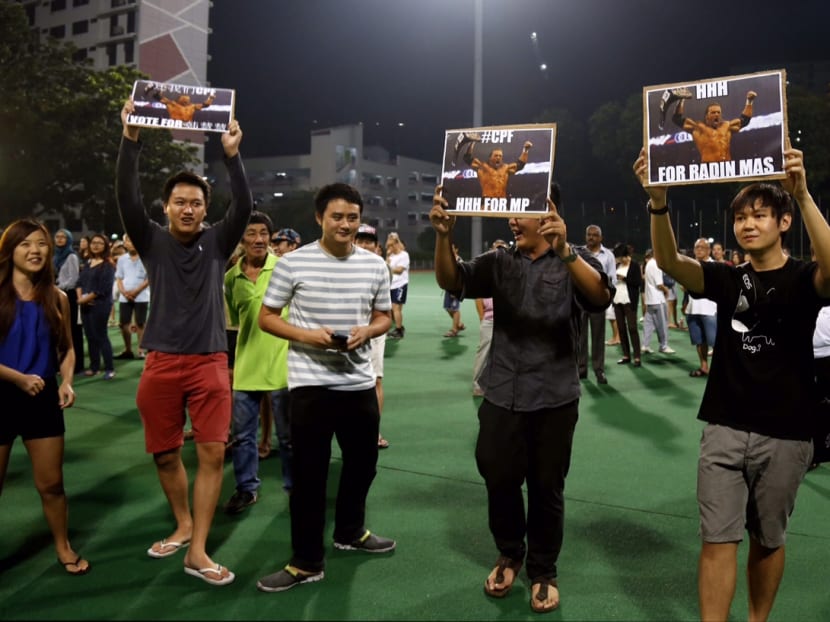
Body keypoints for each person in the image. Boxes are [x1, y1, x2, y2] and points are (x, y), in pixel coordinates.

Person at [634, 144, 830, 621]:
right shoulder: (727, 278)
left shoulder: (806, 279)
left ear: (783, 223)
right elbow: (670, 261)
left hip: (787, 431)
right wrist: (658, 201)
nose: (747, 224)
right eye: (741, 217)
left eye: (760, 215)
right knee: (716, 539)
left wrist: (802, 196)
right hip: (723, 427)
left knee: (768, 539)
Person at [430, 183, 613, 613]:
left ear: (549, 212)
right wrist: (442, 235)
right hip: (502, 394)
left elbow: (601, 297)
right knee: (498, 476)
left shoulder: (575, 259)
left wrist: (565, 249)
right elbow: (452, 280)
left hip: (554, 397)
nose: (512, 219)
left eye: (522, 210)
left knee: (547, 486)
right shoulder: (500, 260)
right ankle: (510, 552)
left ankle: (543, 570)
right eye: (510, 210)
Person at [117, 99, 252, 586]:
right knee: (166, 452)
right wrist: (130, 140)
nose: (188, 208)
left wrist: (232, 156)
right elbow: (126, 199)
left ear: (205, 209)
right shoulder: (151, 240)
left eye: (196, 202)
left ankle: (197, 550)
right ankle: (182, 523)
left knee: (213, 453)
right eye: (180, 201)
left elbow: (246, 206)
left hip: (210, 363)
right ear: (167, 207)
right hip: (160, 363)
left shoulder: (218, 241)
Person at [256, 182, 394, 593]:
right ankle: (306, 560)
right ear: (320, 218)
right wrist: (308, 336)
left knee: (363, 464)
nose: (346, 224)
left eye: (353, 217)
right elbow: (267, 317)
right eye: (337, 216)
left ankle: (350, 531)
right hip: (311, 384)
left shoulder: (374, 265)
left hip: (358, 381)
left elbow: (384, 317)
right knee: (310, 476)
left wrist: (366, 331)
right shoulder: (292, 264)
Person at [0, 218, 87, 575]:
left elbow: (67, 349)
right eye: (25, 244)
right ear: (9, 251)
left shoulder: (58, 298)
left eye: (41, 244)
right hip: (3, 394)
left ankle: (63, 547)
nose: (35, 251)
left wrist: (66, 381)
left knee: (52, 484)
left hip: (42, 398)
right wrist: (18, 378)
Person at [223, 211, 293, 513]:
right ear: (242, 239)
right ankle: (247, 488)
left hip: (282, 367)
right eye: (251, 233)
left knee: (289, 437)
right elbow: (234, 325)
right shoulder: (231, 278)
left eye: (264, 233)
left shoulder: (285, 269)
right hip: (246, 368)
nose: (258, 239)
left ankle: (295, 487)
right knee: (242, 437)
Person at [354, 223, 390, 448]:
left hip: (374, 332)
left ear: (377, 247)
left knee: (375, 380)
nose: (364, 245)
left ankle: (373, 431)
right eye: (361, 240)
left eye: (369, 241)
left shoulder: (380, 268)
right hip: (348, 332)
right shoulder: (343, 264)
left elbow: (384, 312)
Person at [670, 90, 757, 163]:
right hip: (708, 169)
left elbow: (744, 120)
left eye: (718, 112)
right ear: (707, 116)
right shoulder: (699, 128)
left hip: (727, 168)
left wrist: (749, 101)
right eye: (713, 112)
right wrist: (681, 100)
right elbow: (677, 119)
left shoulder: (727, 126)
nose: (716, 115)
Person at [577, 225, 616, 384]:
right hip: (580, 301)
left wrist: (606, 300)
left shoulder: (608, 256)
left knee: (598, 337)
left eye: (594, 235)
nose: (591, 237)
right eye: (589, 235)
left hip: (598, 301)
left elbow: (612, 278)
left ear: (601, 237)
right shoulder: (579, 253)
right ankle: (581, 369)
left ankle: (599, 370)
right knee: (581, 337)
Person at [76, 233, 116, 379]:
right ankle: (94, 367)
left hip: (101, 305)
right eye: (93, 242)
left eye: (100, 243)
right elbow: (79, 282)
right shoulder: (88, 263)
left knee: (101, 336)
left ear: (105, 246)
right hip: (85, 304)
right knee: (90, 336)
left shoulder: (108, 265)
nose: (96, 245)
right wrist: (81, 299)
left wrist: (86, 299)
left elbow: (103, 288)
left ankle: (110, 368)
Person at [459, 135, 533, 201]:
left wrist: (525, 150)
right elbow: (467, 158)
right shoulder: (483, 167)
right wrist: (472, 142)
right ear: (490, 157)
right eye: (496, 155)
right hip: (487, 201)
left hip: (502, 202)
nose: (498, 157)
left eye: (500, 156)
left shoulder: (506, 168)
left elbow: (520, 165)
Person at [54, 229, 85, 374]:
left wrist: (56, 288)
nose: (59, 239)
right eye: (57, 237)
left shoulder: (71, 256)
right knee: (59, 331)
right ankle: (61, 364)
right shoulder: (55, 256)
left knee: (72, 330)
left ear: (68, 239)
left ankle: (77, 365)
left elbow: (73, 279)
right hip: (56, 295)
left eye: (63, 237)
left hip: (68, 295)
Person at [115, 233, 150, 360]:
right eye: (128, 241)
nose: (130, 243)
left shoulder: (146, 257)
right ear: (124, 243)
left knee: (140, 323)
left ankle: (141, 350)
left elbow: (149, 278)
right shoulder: (122, 259)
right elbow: (119, 278)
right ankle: (127, 350)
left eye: (133, 240)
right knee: (124, 323)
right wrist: (124, 292)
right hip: (125, 297)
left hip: (141, 296)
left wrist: (135, 292)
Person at [686, 239, 718, 378]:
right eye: (696, 247)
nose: (699, 250)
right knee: (699, 341)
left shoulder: (714, 266)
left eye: (702, 247)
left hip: (709, 310)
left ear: (708, 250)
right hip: (693, 309)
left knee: (715, 342)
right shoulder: (691, 264)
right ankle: (704, 367)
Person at [611, 242, 643, 367]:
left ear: (625, 256)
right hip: (617, 300)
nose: (619, 259)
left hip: (629, 301)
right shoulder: (617, 266)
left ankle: (637, 356)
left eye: (620, 257)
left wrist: (623, 278)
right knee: (621, 329)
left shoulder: (634, 266)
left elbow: (638, 282)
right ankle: (626, 355)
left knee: (632, 328)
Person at [641, 249, 675, 354]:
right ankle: (663, 346)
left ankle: (645, 345)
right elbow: (659, 284)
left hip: (650, 300)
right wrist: (666, 291)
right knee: (663, 324)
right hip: (658, 299)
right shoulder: (656, 264)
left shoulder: (648, 264)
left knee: (648, 324)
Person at [144, 83, 216, 123]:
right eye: (184, 98)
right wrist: (159, 89)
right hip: (175, 123)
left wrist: (210, 98)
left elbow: (205, 105)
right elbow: (158, 97)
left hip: (187, 125)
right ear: (179, 99)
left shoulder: (192, 106)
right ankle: (153, 87)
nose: (186, 99)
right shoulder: (172, 103)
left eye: (187, 98)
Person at [385, 232, 409, 339]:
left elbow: (399, 270)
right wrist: (387, 259)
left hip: (400, 285)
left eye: (392, 245)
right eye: (389, 245)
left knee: (396, 308)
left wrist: (389, 267)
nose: (390, 247)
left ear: (397, 244)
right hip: (391, 285)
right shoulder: (391, 256)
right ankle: (396, 327)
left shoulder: (404, 255)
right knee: (391, 308)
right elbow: (385, 267)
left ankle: (399, 330)